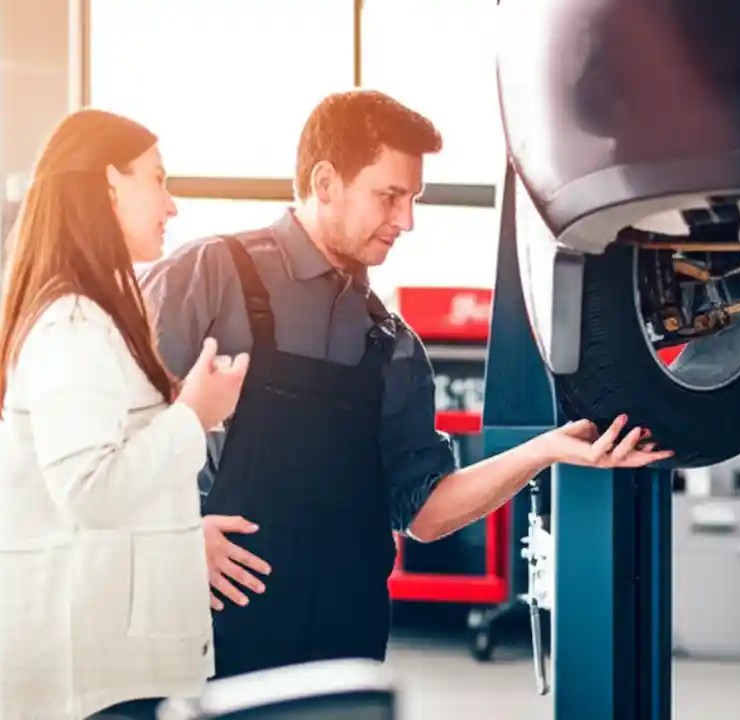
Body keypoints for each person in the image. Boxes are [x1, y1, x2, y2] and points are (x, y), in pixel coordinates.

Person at [139, 89, 673, 679]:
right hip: (217, 638)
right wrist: (179, 532)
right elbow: (110, 434)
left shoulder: (391, 343)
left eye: (413, 200)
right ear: (324, 183)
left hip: (345, 649)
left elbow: (425, 513)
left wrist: (544, 450)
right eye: (389, 197)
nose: (407, 221)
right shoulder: (212, 276)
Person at [0, 109, 251, 720]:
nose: (171, 205)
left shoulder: (93, 315)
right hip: (93, 683)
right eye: (158, 179)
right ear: (107, 186)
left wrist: (178, 539)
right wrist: (193, 415)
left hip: (110, 667)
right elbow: (90, 490)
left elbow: (108, 484)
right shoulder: (71, 325)